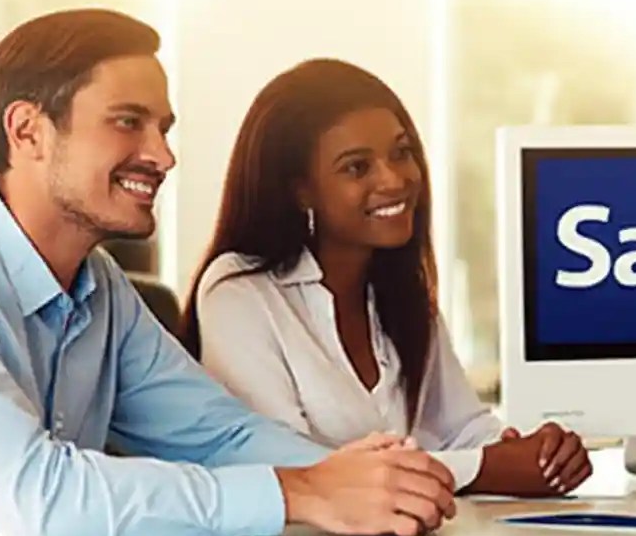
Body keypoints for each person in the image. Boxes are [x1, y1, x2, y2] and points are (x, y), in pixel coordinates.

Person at [0, 10, 456, 536]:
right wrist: (301, 493)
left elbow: (220, 437)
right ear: (28, 131)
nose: (163, 155)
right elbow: (40, 499)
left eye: (163, 128)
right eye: (128, 123)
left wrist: (372, 482)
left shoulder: (101, 290)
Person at [185, 59, 593, 498]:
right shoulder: (239, 292)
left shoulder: (399, 292)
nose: (396, 179)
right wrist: (483, 469)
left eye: (401, 153)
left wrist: (540, 454)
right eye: (357, 168)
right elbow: (288, 465)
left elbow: (463, 428)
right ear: (299, 190)